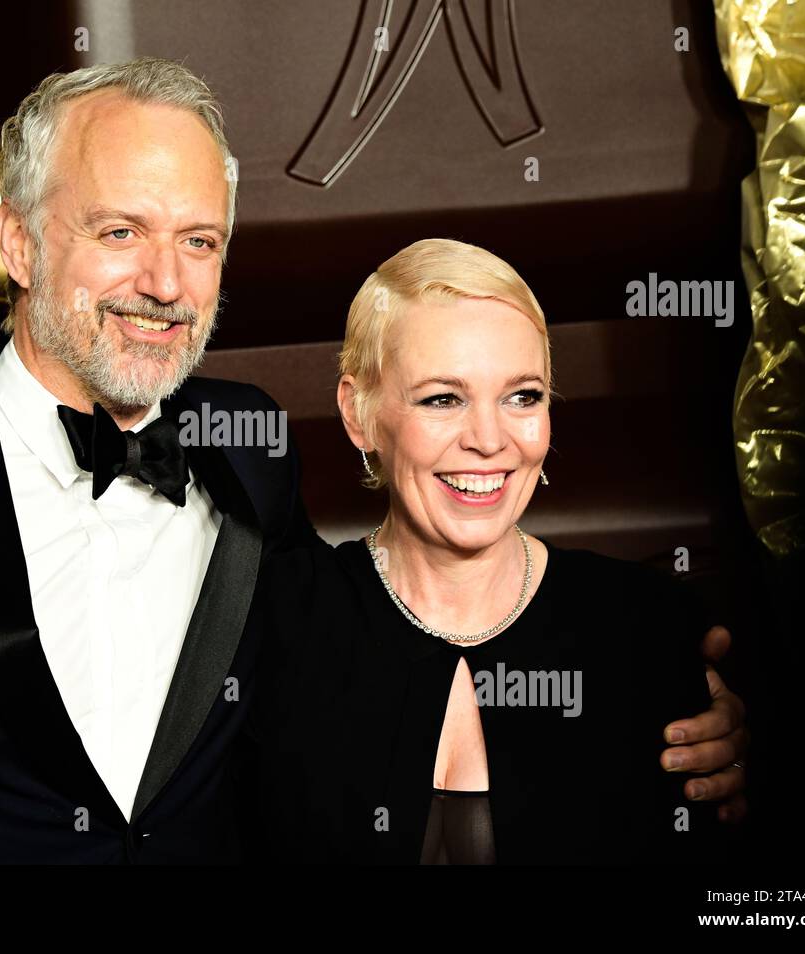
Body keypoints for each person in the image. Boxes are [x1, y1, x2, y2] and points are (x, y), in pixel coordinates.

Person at [0, 59, 745, 864]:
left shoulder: (247, 446)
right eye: (119, 232)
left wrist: (694, 726)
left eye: (199, 240)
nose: (166, 283)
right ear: (19, 242)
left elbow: (374, 675)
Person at [245, 239, 736, 863]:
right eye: (442, 398)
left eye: (522, 396)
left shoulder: (646, 625)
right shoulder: (278, 621)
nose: (488, 440)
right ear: (358, 413)